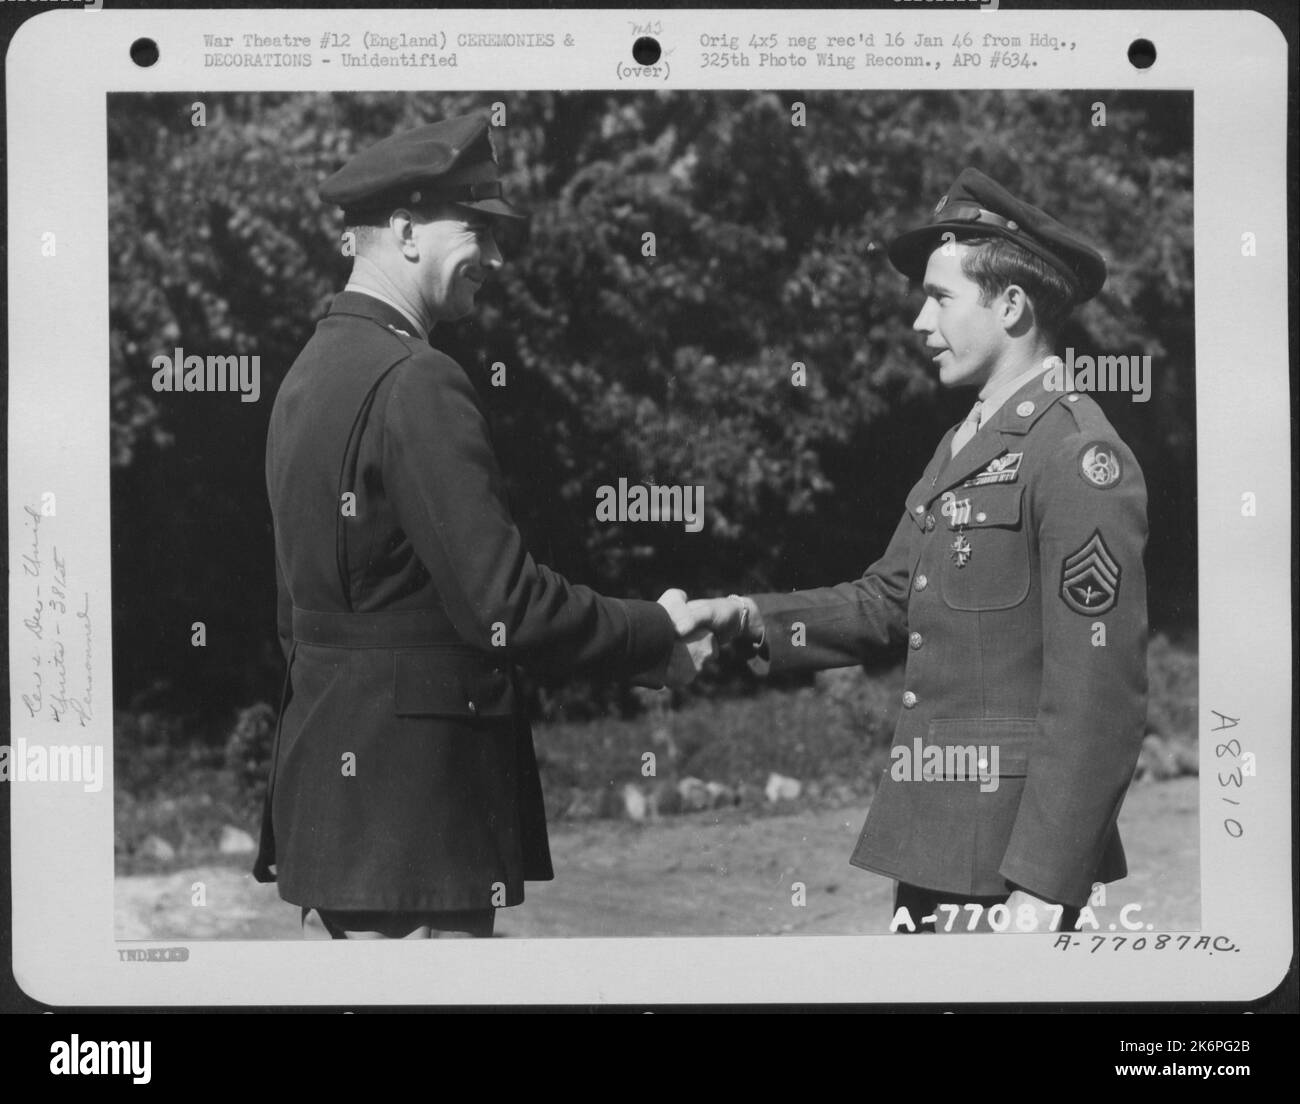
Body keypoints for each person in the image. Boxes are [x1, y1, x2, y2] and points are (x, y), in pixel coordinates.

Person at [254, 114, 712, 939]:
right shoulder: (417, 378)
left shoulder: (308, 371)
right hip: (419, 816)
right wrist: (655, 636)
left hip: (336, 800)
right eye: (478, 232)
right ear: (404, 233)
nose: (496, 261)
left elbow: (305, 612)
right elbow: (505, 604)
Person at [677, 168, 1148, 934]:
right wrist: (739, 617)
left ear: (1011, 305)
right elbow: (887, 601)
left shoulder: (1077, 456)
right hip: (934, 853)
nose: (919, 324)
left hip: (1015, 870)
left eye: (939, 298)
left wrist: (1043, 891)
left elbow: (1100, 700)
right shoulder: (964, 442)